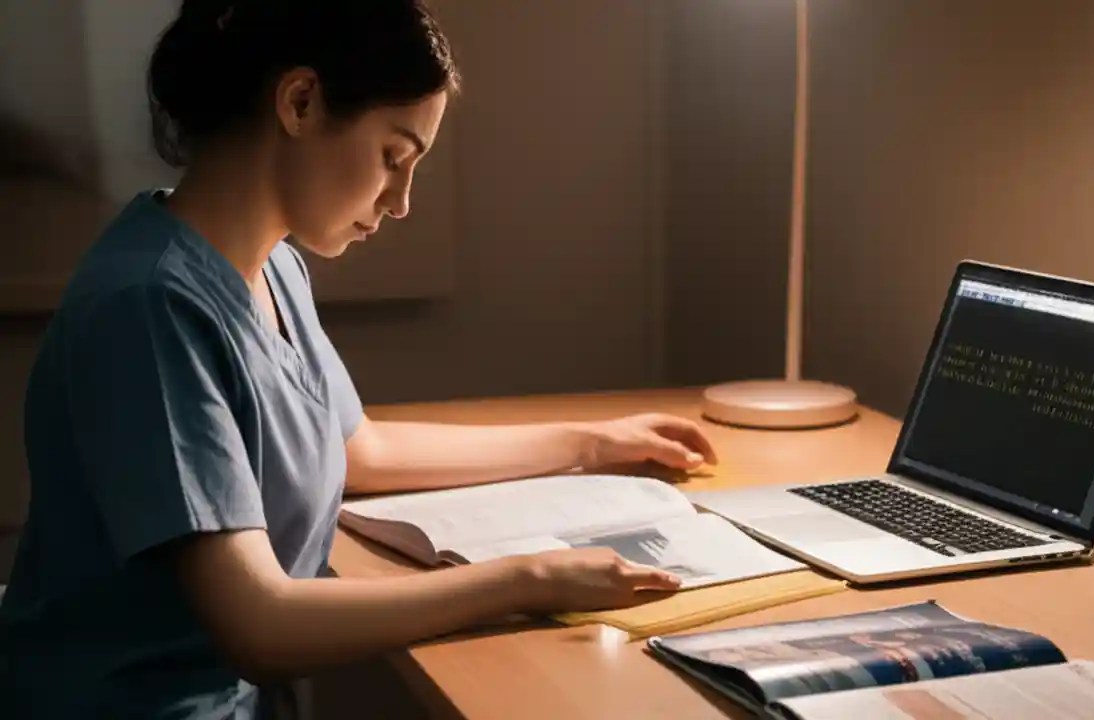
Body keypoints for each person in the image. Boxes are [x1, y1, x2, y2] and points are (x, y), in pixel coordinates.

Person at [0, 1, 718, 717]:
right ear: (302, 101)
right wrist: (527, 579)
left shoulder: (272, 266)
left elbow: (361, 447)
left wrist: (592, 443)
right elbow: (260, 624)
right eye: (393, 156)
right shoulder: (150, 305)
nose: (402, 201)